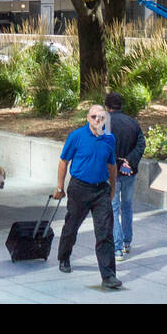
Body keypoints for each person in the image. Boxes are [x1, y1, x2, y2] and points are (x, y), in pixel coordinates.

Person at [54, 104, 122, 290]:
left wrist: (113, 188)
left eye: (101, 117)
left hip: (101, 190)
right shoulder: (76, 136)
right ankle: (64, 257)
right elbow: (63, 161)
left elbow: (112, 165)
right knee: (71, 226)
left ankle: (108, 276)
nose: (97, 120)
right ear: (87, 118)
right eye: (93, 117)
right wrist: (60, 187)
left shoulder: (109, 139)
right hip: (79, 188)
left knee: (105, 232)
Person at [106, 91, 145, 260]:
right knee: (127, 206)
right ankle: (127, 242)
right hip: (129, 171)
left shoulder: (104, 123)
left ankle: (117, 247)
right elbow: (141, 144)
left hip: (111, 172)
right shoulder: (133, 122)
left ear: (107, 106)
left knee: (113, 207)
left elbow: (102, 147)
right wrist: (129, 161)